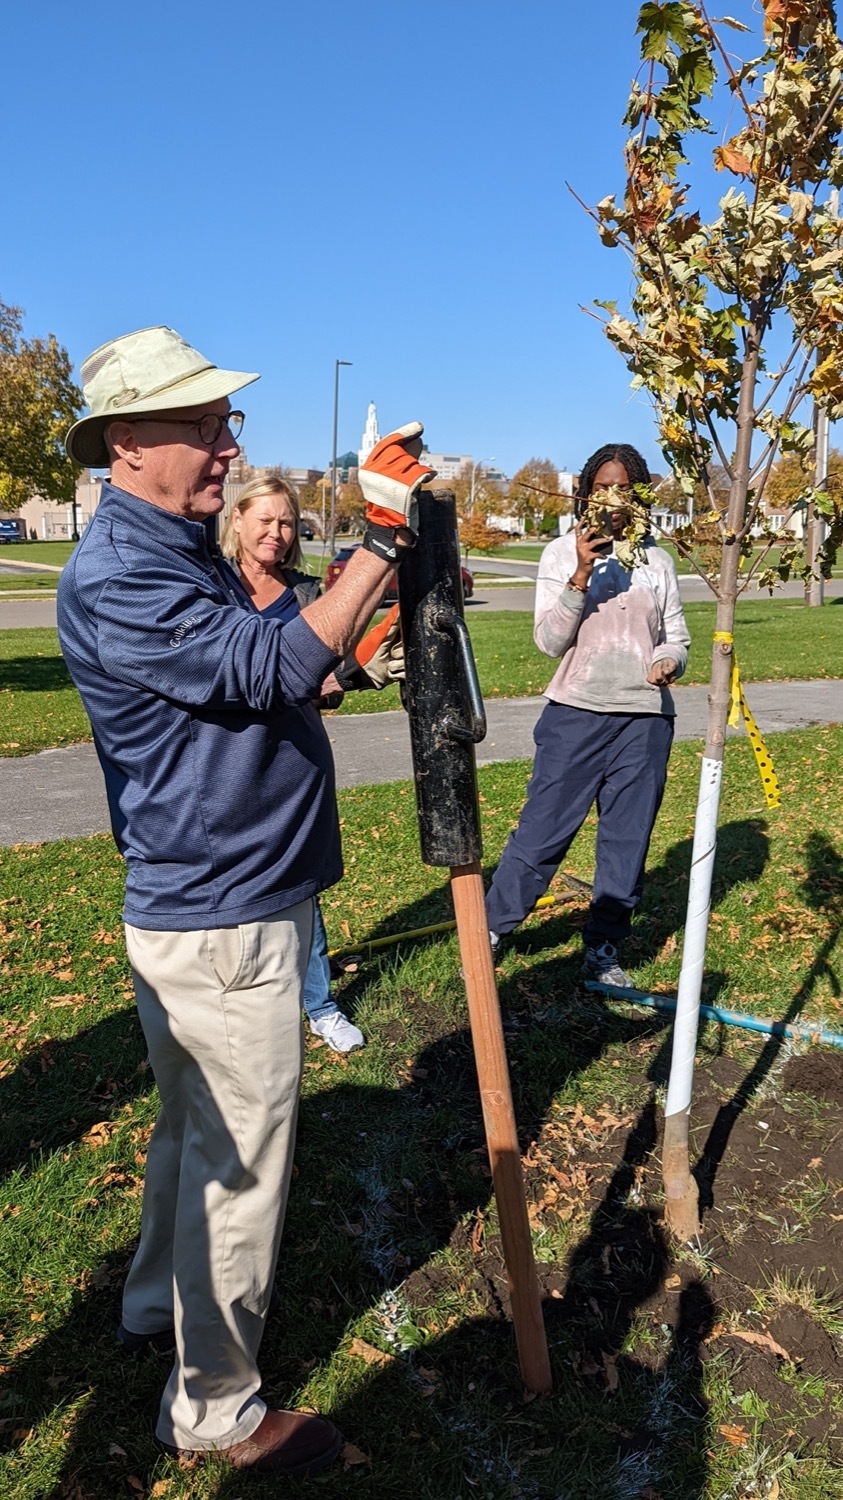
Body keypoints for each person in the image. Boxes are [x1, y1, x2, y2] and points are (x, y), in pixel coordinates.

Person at [57, 325, 434, 1477]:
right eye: (205, 423)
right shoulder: (122, 571)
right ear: (129, 442)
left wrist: (347, 648)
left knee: (189, 1136)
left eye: (227, 421)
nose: (230, 444)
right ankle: (217, 1411)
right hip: (221, 916)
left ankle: (148, 1311)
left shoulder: (175, 546)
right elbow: (264, 668)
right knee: (240, 1168)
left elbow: (269, 655)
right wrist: (380, 533)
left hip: (212, 908)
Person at [485, 442, 690, 986]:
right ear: (585, 493)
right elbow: (550, 642)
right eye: (600, 487)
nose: (610, 498)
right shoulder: (560, 554)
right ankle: (493, 929)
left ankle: (604, 947)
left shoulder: (657, 562)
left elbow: (678, 637)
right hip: (575, 713)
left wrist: (668, 659)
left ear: (639, 493)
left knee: (627, 840)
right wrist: (581, 575)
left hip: (644, 722)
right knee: (543, 831)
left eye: (622, 487)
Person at [217, 475, 402, 1052]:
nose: (275, 532)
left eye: (287, 522)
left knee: (299, 894)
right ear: (238, 520)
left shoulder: (303, 593)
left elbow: (327, 680)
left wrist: (352, 674)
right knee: (224, 892)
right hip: (225, 762)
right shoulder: (211, 586)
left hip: (294, 762)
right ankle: (236, 1009)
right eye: (264, 519)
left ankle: (319, 1005)